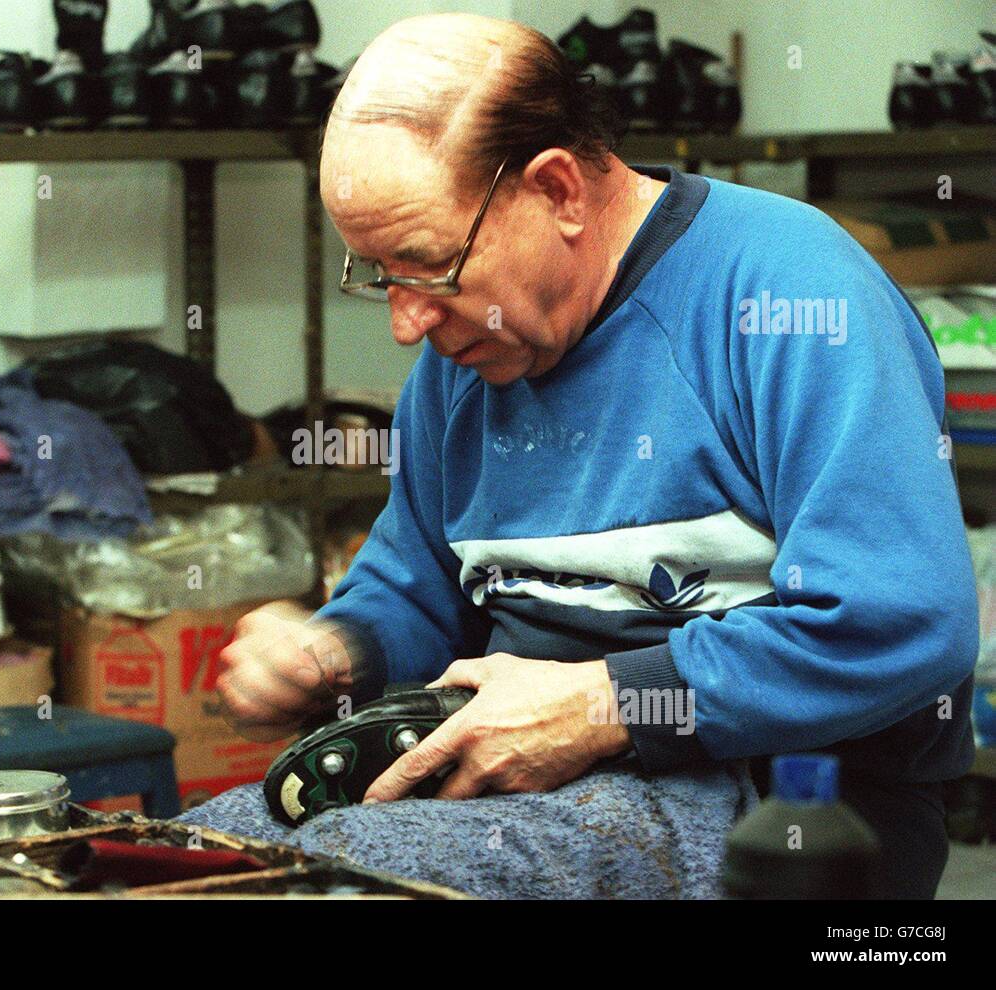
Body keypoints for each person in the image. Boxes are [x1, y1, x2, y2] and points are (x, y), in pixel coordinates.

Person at [215, 13, 978, 899]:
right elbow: (420, 583)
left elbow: (901, 619)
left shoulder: (791, 296)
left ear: (559, 191)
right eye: (377, 275)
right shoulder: (467, 353)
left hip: (772, 802)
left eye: (426, 267)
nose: (405, 323)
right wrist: (337, 652)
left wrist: (604, 704)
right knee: (198, 859)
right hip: (508, 773)